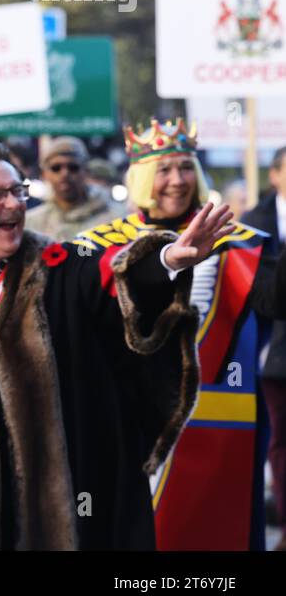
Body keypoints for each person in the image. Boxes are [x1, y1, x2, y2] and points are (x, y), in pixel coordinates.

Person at [0, 139, 227, 549]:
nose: (14, 204)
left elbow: (114, 276)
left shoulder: (59, 267)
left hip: (47, 508)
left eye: (19, 191)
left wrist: (168, 261)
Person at [109, 120, 284, 550]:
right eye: (164, 169)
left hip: (222, 426)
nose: (178, 180)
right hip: (130, 423)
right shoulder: (103, 243)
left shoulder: (241, 242)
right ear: (143, 177)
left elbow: (276, 302)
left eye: (186, 168)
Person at [245, 146, 286, 543]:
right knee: (280, 443)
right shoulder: (250, 227)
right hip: (273, 355)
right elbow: (266, 300)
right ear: (274, 175)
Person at [24, 136, 128, 239]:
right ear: (45, 174)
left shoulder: (117, 218)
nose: (65, 174)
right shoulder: (32, 223)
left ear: (86, 172)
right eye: (56, 168)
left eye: (73, 167)